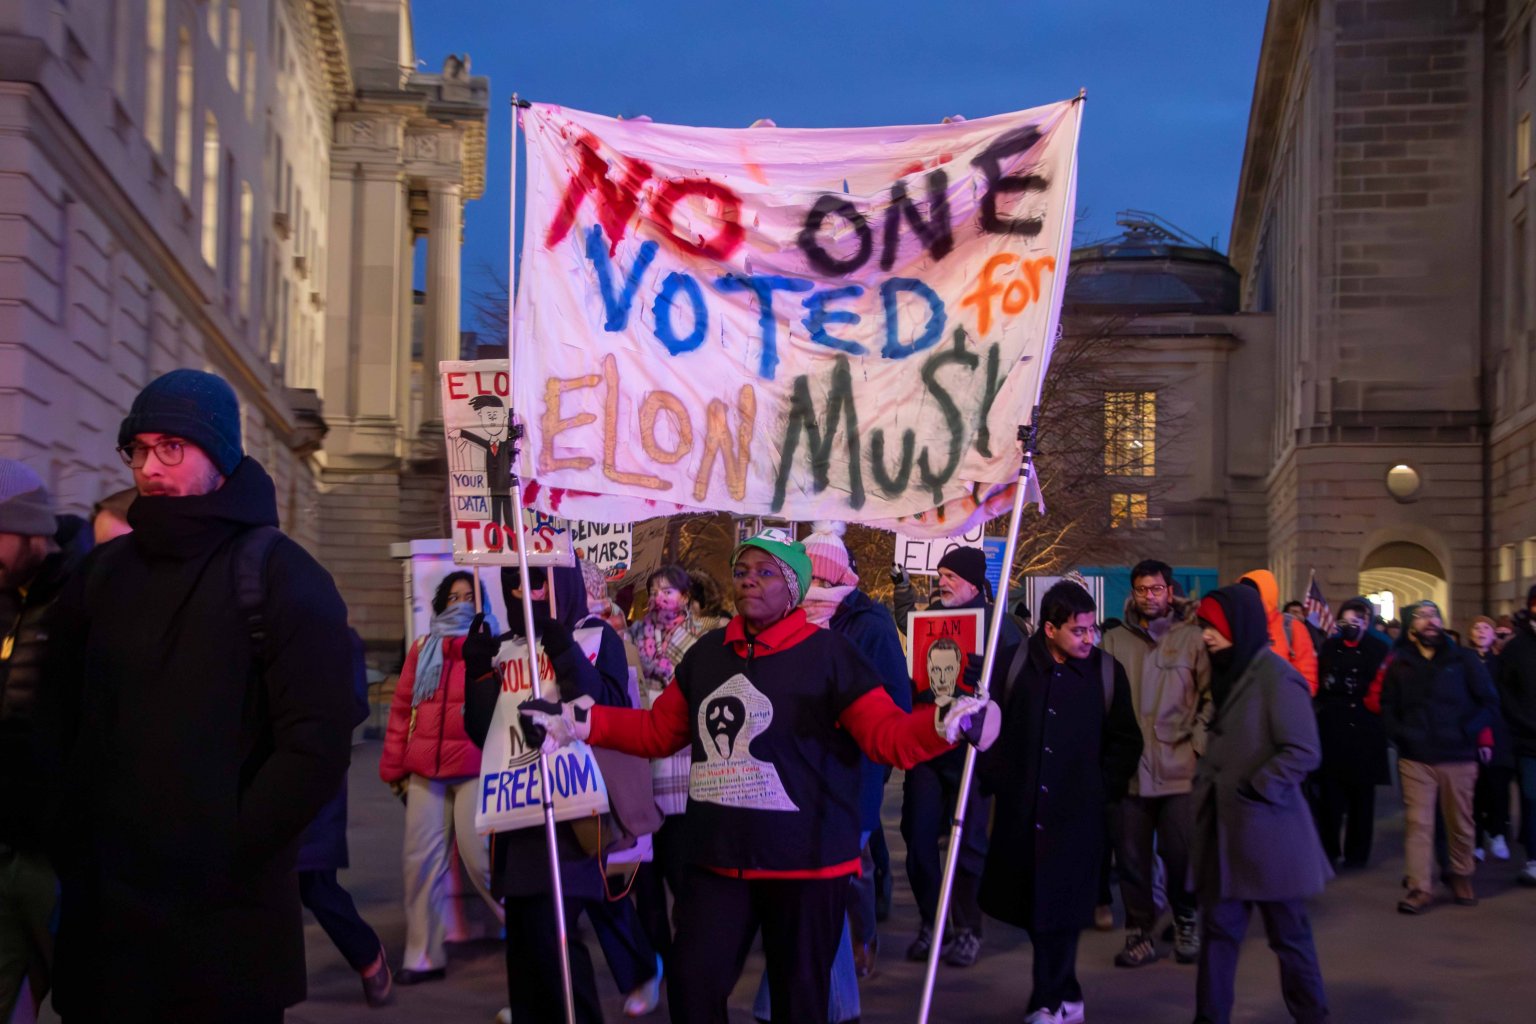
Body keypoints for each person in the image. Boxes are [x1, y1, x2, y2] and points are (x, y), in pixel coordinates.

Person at [520, 531, 994, 1024]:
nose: (749, 582)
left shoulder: (831, 656)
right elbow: (659, 731)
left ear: (793, 587)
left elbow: (888, 736)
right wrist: (579, 723)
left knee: (799, 1003)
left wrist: (946, 723)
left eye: (765, 573)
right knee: (692, 984)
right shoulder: (707, 655)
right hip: (718, 862)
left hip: (807, 867)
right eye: (742, 571)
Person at [41, 369, 360, 1023]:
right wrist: (72, 836)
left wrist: (229, 847)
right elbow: (53, 715)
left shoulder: (280, 573)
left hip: (223, 932)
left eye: (171, 448)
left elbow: (317, 743)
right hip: (106, 933)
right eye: (139, 449)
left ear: (219, 454)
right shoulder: (99, 575)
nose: (150, 467)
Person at [752, 521, 912, 1023]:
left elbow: (896, 706)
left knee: (827, 888)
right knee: (809, 894)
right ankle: (819, 1002)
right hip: (793, 777)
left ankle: (799, 1001)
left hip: (850, 776)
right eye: (810, 581)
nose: (816, 592)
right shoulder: (784, 621)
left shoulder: (871, 625)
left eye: (825, 580)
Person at [462, 563, 637, 1024]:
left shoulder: (596, 638)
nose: (523, 592)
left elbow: (614, 711)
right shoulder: (506, 648)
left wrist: (564, 651)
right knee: (525, 942)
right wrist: (477, 672)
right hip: (517, 814)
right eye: (513, 585)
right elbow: (484, 733)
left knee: (552, 936)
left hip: (573, 812)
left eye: (534, 582)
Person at [979, 581, 1143, 1024]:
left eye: (1092, 630)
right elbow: (990, 728)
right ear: (1049, 629)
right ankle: (1066, 992)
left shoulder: (1107, 673)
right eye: (1079, 631)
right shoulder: (1014, 666)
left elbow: (1126, 740)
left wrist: (1100, 788)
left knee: (1062, 912)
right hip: (1022, 815)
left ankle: (1046, 1002)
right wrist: (998, 778)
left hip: (1077, 819)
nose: (1089, 639)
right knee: (1037, 912)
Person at [1190, 584, 1331, 1024]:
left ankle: (1312, 1016)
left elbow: (1304, 750)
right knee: (1218, 935)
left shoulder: (1276, 676)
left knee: (1289, 938)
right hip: (1226, 836)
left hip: (1270, 835)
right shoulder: (1227, 671)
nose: (1206, 636)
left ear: (1239, 625)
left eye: (1213, 627)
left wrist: (1256, 787)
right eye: (1203, 627)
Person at [379, 570, 504, 983]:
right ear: (440, 604)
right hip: (425, 771)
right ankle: (422, 955)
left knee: (480, 859)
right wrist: (394, 766)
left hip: (473, 767)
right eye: (453, 597)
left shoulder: (491, 647)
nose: (461, 603)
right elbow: (401, 711)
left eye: (469, 596)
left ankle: (529, 926)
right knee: (418, 865)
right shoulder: (422, 648)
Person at [901, 546, 1022, 967]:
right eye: (941, 574)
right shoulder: (926, 621)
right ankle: (933, 923)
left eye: (951, 575)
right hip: (928, 746)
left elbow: (1015, 686)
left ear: (973, 581)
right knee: (918, 840)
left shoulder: (1000, 627)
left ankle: (969, 928)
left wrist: (988, 675)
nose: (942, 581)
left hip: (972, 752)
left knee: (967, 843)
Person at [0, 461, 91, 1023]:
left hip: (63, 853)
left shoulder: (86, 596)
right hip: (6, 839)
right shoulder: (5, 598)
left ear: (32, 529)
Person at [1099, 559, 1211, 969]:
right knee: (1130, 859)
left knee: (1180, 853)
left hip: (1179, 768)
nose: (1149, 596)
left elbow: (1210, 698)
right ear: (1133, 592)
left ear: (1170, 591)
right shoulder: (1113, 641)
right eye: (1142, 589)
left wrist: (1197, 745)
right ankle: (1139, 933)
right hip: (1128, 770)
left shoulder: (1192, 639)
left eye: (1157, 589)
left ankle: (1185, 920)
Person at [1373, 601, 1500, 913]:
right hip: (1416, 757)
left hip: (1458, 756)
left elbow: (1489, 702)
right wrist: (1400, 734)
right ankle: (1419, 887)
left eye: (1435, 615)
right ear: (1411, 627)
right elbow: (1387, 704)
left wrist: (1467, 732)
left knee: (1460, 822)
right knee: (1419, 824)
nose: (1430, 621)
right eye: (1422, 617)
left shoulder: (1464, 659)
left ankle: (1461, 874)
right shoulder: (1400, 661)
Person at [628, 565, 715, 971]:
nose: (661, 597)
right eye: (655, 589)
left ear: (685, 595)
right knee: (645, 876)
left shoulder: (703, 636)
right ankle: (657, 958)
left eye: (669, 590)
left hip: (683, 767)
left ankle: (692, 953)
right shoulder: (633, 635)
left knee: (682, 870)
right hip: (643, 765)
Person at [299, 628, 392, 1007]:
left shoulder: (337, 636)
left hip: (313, 770)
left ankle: (367, 955)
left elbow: (355, 704)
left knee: (314, 882)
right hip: (264, 772)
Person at [1311, 597, 1391, 869]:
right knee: (1331, 797)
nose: (1350, 626)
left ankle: (1357, 854)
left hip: (1365, 729)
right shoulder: (1330, 647)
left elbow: (1385, 686)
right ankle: (1329, 850)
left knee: (1362, 798)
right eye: (1345, 621)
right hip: (1333, 727)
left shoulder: (1379, 649)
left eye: (1355, 621)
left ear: (1365, 622)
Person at [1467, 615, 1515, 863]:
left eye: (1486, 627)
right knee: (1474, 791)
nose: (1481, 631)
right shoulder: (1464, 661)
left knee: (1498, 786)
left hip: (1499, 733)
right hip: (1471, 732)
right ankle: (1475, 841)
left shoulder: (1501, 663)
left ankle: (1497, 833)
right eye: (1477, 627)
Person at [1497, 586, 1536, 887]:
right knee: (1532, 800)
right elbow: (1504, 693)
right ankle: (1534, 859)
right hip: (1529, 740)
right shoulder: (1516, 648)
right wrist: (1524, 723)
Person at [1239, 570, 1318, 692]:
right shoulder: (1237, 627)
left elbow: (1307, 680)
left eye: (1252, 594)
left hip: (1282, 706)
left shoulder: (1291, 628)